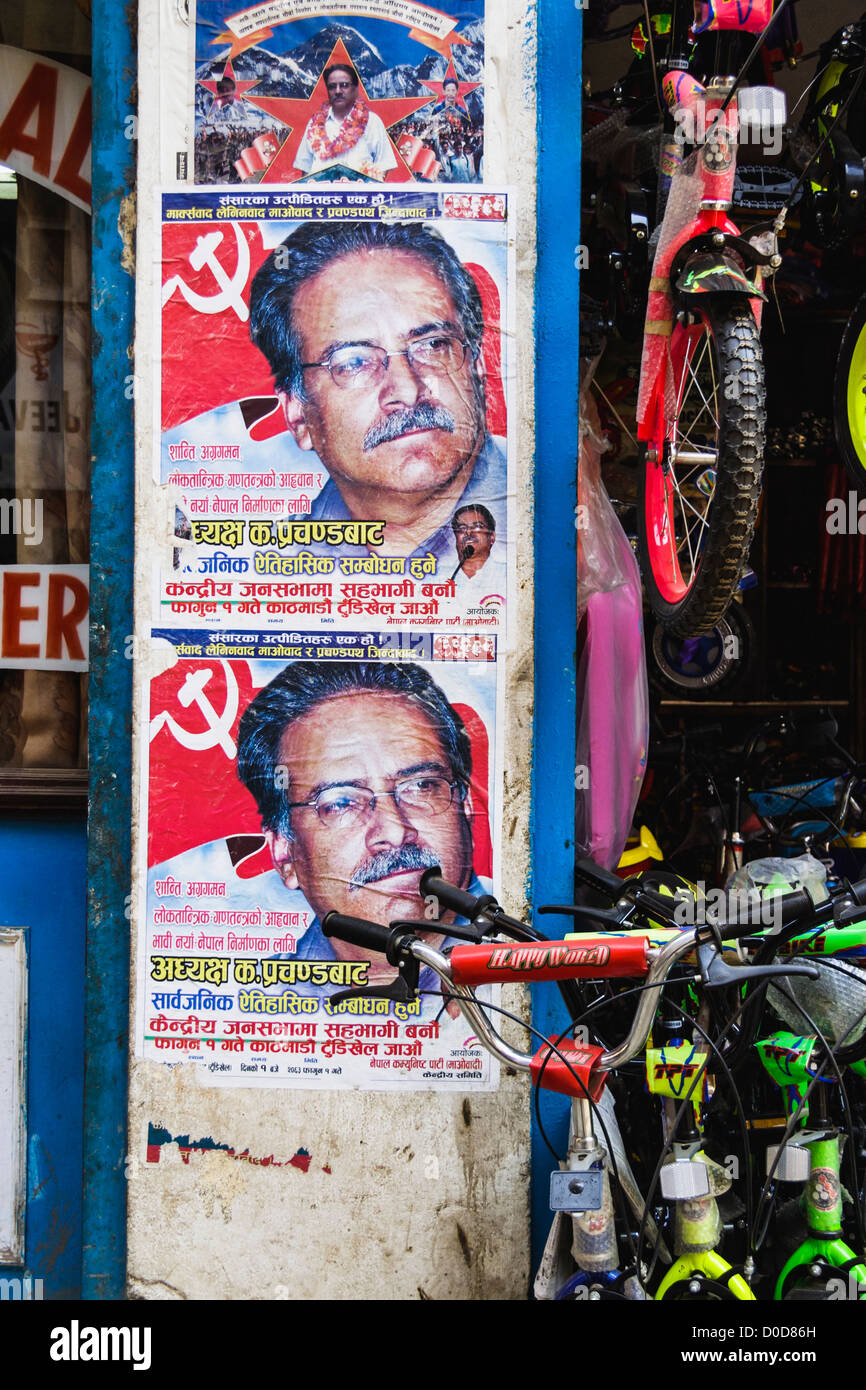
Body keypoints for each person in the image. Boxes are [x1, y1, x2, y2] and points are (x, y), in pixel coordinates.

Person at [247, 219, 506, 563]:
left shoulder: (553, 524)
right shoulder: (268, 566)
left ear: (477, 366)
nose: (408, 390)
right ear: (297, 415)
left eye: (433, 345)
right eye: (354, 362)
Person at [236, 661, 489, 988]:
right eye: (341, 803)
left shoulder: (529, 959)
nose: (396, 832)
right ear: (284, 854)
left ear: (465, 805)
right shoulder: (255, 1001)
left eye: (422, 786)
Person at [293, 64, 397, 180]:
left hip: (360, 196)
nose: (337, 91)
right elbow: (305, 169)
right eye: (332, 87)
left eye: (344, 85)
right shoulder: (314, 124)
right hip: (323, 195)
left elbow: (384, 165)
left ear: (355, 89)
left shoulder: (372, 121)